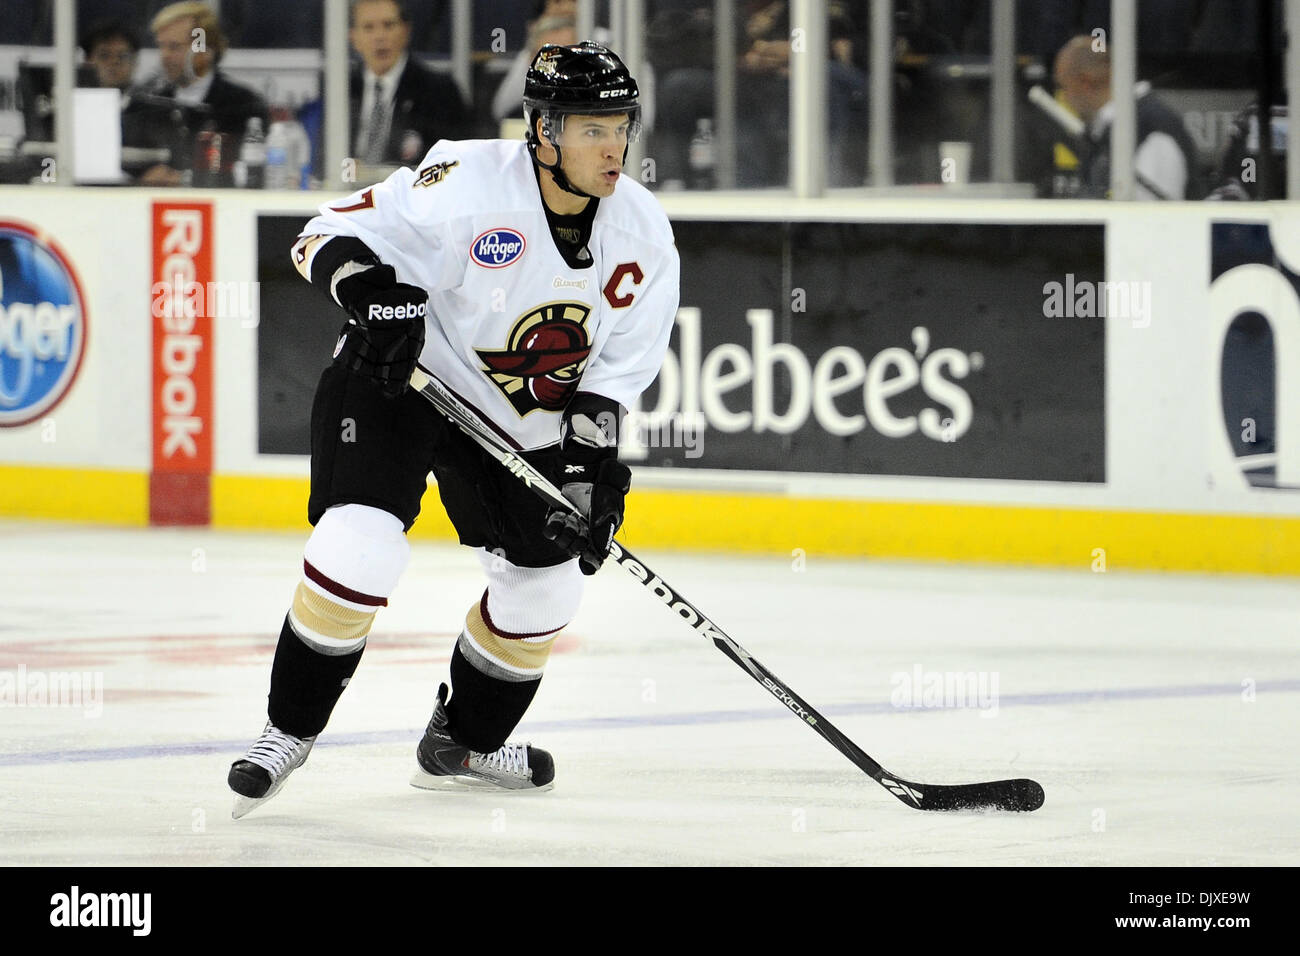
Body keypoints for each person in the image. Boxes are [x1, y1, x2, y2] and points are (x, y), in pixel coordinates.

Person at [228, 42, 679, 816]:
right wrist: (370, 292)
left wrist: (583, 475)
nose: (613, 148)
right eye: (591, 128)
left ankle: (462, 740)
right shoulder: (464, 186)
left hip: (511, 420)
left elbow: (607, 382)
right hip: (401, 380)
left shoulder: (643, 238)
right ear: (541, 131)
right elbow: (320, 233)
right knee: (360, 545)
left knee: (549, 583)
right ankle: (287, 731)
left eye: (621, 127)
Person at [1052, 35, 1201, 200]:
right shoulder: (1107, 132)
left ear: (1085, 83)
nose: (1064, 98)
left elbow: (1153, 219)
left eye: (1064, 87)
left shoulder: (1151, 129)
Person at [136, 1, 268, 186]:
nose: (164, 55)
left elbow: (251, 173)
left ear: (206, 50)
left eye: (174, 47)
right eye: (161, 46)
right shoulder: (147, 104)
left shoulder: (245, 106)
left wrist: (184, 179)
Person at [349, 0, 470, 167]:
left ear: (406, 31)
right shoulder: (342, 91)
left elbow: (456, 164)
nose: (379, 37)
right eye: (369, 27)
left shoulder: (440, 92)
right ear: (353, 37)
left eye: (388, 25)